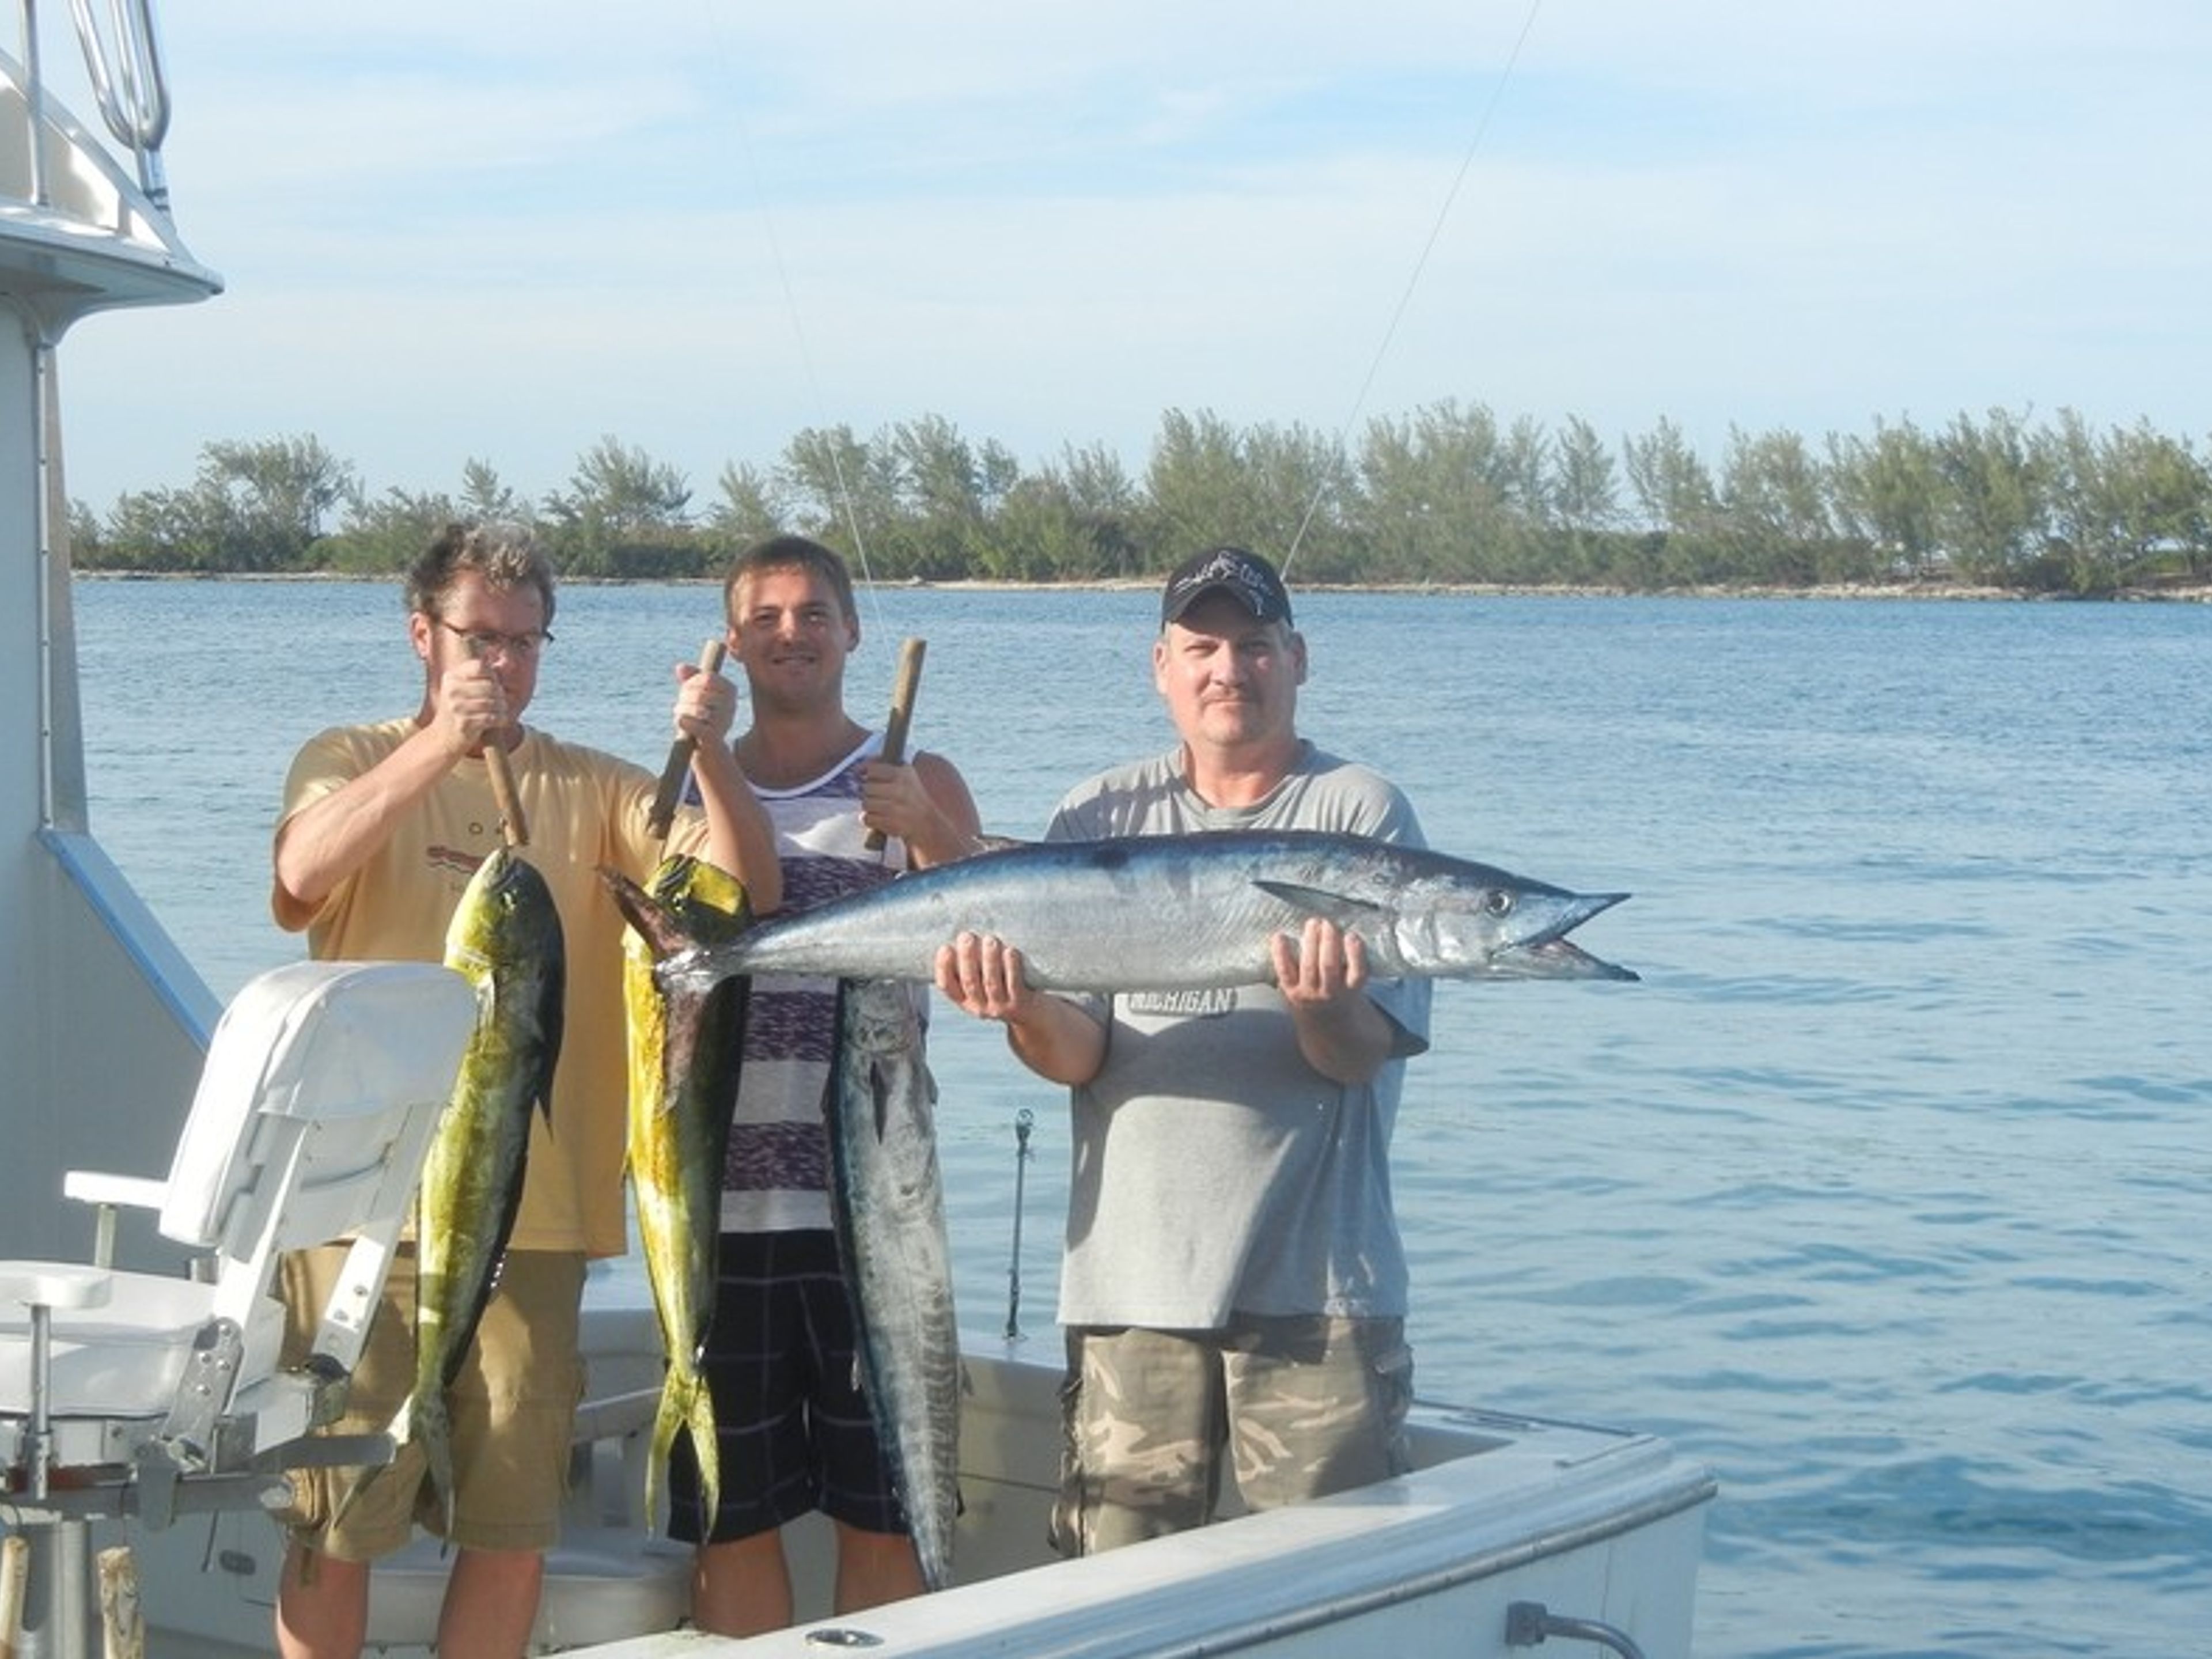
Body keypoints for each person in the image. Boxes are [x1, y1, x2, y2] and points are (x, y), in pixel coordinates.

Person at [268, 521, 778, 1659]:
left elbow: (742, 893)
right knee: (332, 1525)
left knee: (510, 1529)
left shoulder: (594, 790)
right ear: (423, 635)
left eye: (524, 642)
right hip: (356, 1220)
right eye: (478, 639)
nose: (500, 663)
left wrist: (717, 754)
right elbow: (302, 879)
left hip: (533, 1219)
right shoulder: (345, 756)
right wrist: (435, 748)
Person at [933, 544, 1433, 1555]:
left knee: (1322, 1591)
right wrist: (1022, 1006)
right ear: (1160, 664)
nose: (1228, 669)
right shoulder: (1097, 813)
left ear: (1298, 659)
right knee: (1115, 1595)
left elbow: (1354, 1058)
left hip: (1316, 1294)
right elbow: (1079, 1056)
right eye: (1202, 646)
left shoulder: (1360, 817)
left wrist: (1323, 1005)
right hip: (1131, 1285)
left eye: (1254, 646)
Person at [668, 533, 982, 1635]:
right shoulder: (684, 788)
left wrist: (931, 832)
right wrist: (704, 756)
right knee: (732, 1516)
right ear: (733, 641)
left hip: (873, 1209)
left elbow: (994, 935)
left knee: (882, 1509)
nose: (790, 635)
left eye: (812, 614)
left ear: (852, 629)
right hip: (719, 1211)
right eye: (766, 619)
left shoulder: (915, 777)